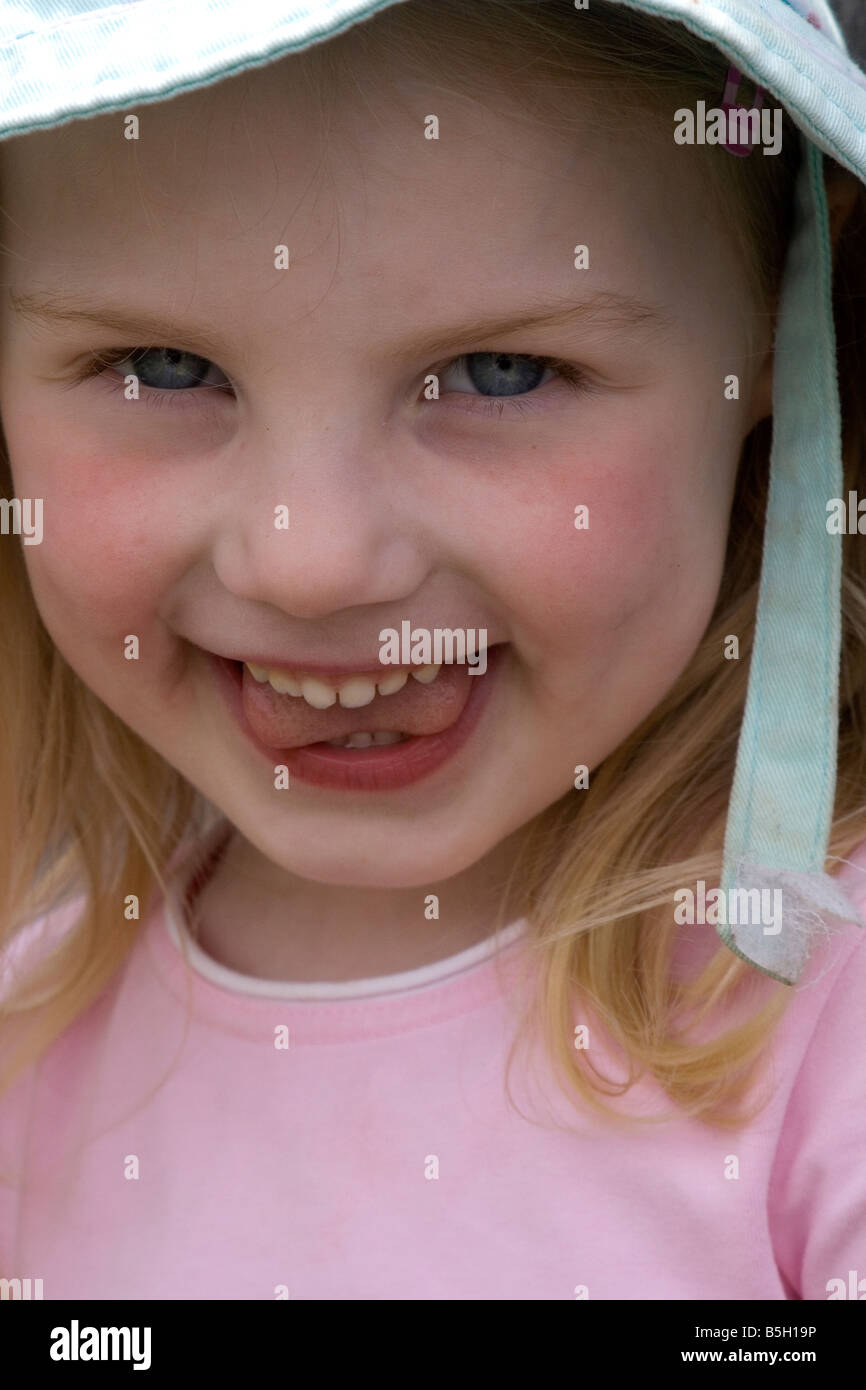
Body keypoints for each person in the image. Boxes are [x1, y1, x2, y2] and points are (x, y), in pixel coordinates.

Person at [1, 0, 865, 1300]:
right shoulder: (31, 1038)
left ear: (775, 351)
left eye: (500, 372)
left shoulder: (823, 1019)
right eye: (163, 367)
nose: (309, 562)